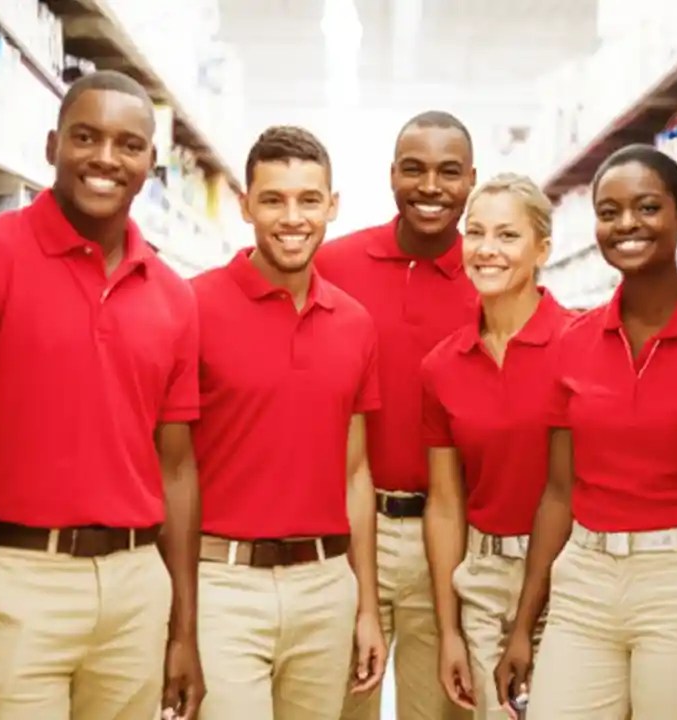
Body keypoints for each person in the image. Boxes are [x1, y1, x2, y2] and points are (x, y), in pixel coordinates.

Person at [0, 70, 203, 720]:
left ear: (151, 161)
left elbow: (175, 468)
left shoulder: (174, 297)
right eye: (85, 137)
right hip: (16, 581)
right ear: (51, 146)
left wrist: (183, 629)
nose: (104, 159)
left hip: (135, 586)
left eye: (128, 144)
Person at [495, 145, 677, 719]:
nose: (626, 224)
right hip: (585, 579)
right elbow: (558, 493)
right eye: (609, 212)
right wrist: (524, 625)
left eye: (647, 207)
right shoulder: (574, 343)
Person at [189, 125, 386, 719]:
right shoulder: (191, 307)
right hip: (221, 585)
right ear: (245, 206)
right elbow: (165, 462)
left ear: (332, 205)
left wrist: (367, 607)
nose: (291, 217)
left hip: (325, 585)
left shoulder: (355, 324)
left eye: (308, 199)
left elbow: (356, 474)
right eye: (273, 199)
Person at [316, 110, 478, 720]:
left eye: (448, 172)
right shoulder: (333, 263)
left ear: (471, 181)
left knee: (442, 706)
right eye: (414, 170)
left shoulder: (491, 273)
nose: (431, 187)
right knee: (339, 704)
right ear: (390, 176)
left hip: (451, 537)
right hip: (346, 531)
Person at [420, 172, 572, 719]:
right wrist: (448, 630)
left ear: (542, 250)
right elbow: (444, 504)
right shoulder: (442, 365)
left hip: (569, 575)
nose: (487, 250)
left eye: (508, 236)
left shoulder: (581, 345)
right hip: (483, 581)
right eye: (476, 233)